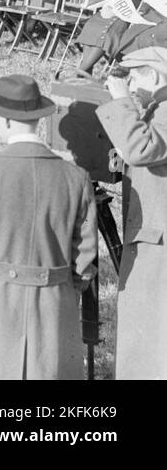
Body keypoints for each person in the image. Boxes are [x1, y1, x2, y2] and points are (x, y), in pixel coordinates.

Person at [0, 75, 97, 380]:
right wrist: (66, 290)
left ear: (4, 121)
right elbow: (85, 257)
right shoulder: (76, 178)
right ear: (39, 119)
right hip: (54, 299)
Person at [96, 52, 167, 379]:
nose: (132, 87)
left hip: (159, 241)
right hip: (152, 232)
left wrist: (122, 99)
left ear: (153, 76)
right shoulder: (159, 107)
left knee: (153, 340)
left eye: (135, 79)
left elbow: (142, 149)